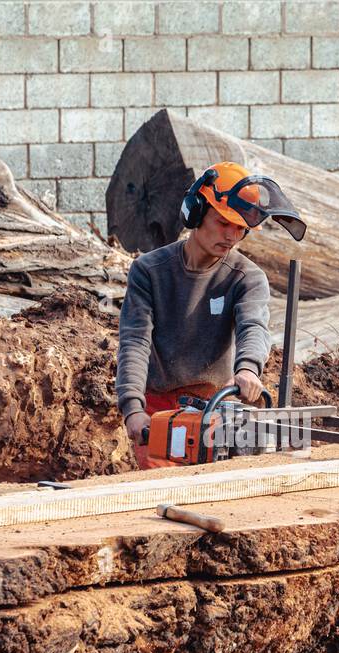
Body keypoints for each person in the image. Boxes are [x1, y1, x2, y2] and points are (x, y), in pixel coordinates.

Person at [116, 161, 277, 469]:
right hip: (159, 406)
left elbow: (253, 326)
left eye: (240, 228)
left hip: (217, 402)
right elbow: (134, 341)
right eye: (223, 222)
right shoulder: (150, 271)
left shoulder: (246, 277)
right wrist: (133, 408)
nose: (231, 236)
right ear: (197, 211)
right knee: (162, 493)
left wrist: (248, 370)